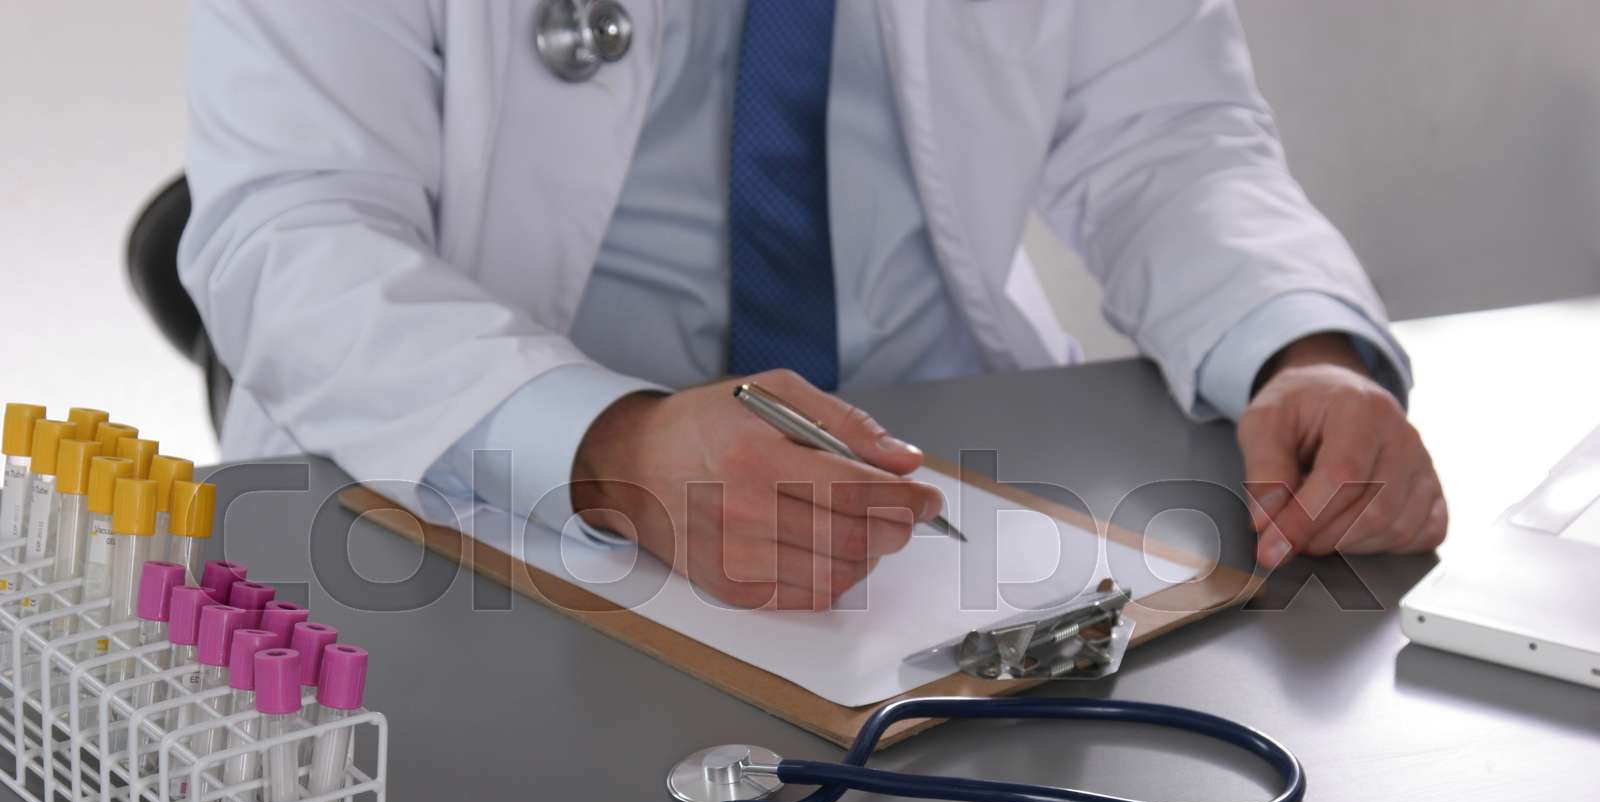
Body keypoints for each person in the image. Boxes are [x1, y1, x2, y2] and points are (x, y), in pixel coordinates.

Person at [179, 0, 1447, 614]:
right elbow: (289, 229)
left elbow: (1168, 141)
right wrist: (610, 449)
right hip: (507, 501)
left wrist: (1302, 347)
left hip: (957, 490)